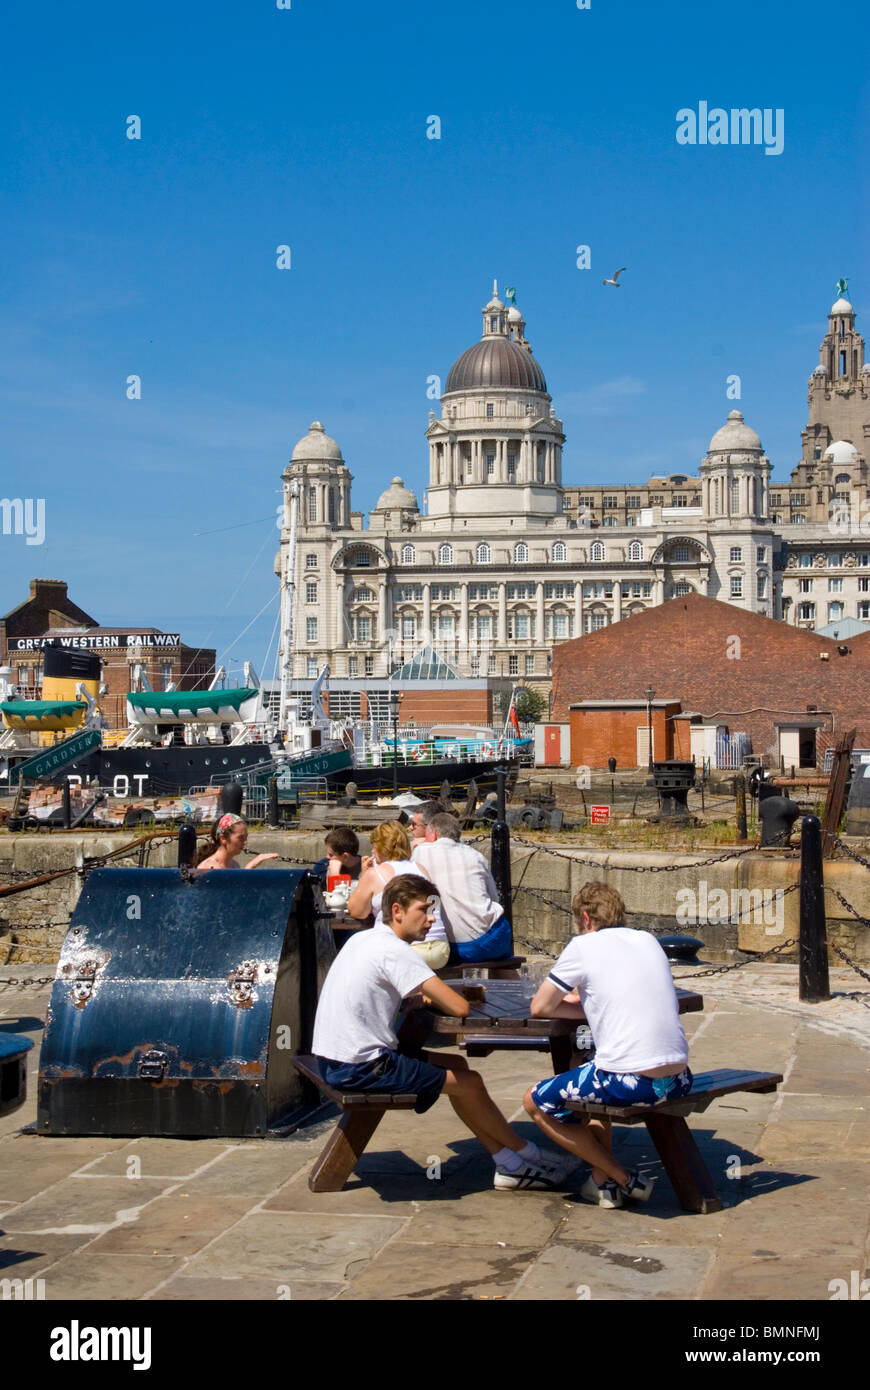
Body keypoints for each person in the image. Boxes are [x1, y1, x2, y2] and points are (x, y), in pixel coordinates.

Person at [311, 872, 576, 1190]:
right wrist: (454, 993)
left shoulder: (364, 938)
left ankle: (508, 1163)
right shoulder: (396, 951)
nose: (431, 919)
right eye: (424, 910)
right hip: (361, 1068)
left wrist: (420, 997)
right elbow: (460, 1009)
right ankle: (527, 1153)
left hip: (334, 1058)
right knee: (470, 1082)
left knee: (460, 1069)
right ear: (397, 911)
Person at [523, 881, 693, 1210]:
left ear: (586, 919)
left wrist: (578, 1004)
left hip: (631, 1082)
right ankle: (601, 1183)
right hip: (678, 1079)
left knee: (536, 1102)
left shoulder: (583, 947)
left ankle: (623, 1178)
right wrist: (591, 1004)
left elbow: (540, 1008)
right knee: (582, 1067)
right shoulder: (647, 940)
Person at [411, 812, 512, 964]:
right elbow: (495, 898)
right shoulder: (475, 856)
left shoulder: (420, 852)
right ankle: (514, 986)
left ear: (434, 834)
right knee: (503, 960)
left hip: (449, 946)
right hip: (489, 941)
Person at [347, 821, 449, 970]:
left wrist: (365, 875)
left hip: (406, 950)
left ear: (382, 847)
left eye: (374, 846)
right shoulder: (420, 868)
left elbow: (357, 912)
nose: (372, 852)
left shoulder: (375, 873)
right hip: (440, 949)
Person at [196, 813, 280, 872]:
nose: (245, 842)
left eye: (246, 837)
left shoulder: (233, 864)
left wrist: (253, 864)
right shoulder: (211, 868)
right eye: (240, 838)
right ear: (223, 838)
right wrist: (250, 866)